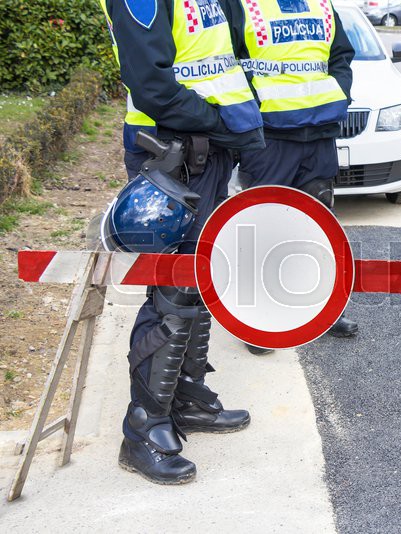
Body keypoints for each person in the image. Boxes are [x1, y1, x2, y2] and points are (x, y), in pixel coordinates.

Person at [99, 0, 266, 484]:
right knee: (172, 288)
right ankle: (144, 428)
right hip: (175, 150)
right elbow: (149, 82)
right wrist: (218, 121)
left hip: (208, 148)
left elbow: (228, 55)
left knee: (198, 279)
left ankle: (186, 398)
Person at [221, 0, 358, 355]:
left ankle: (321, 310)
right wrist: (249, 110)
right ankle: (260, 323)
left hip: (319, 134)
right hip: (269, 138)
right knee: (263, 229)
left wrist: (338, 94)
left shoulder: (321, 4)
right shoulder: (241, 4)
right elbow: (226, 63)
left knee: (318, 228)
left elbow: (341, 56)